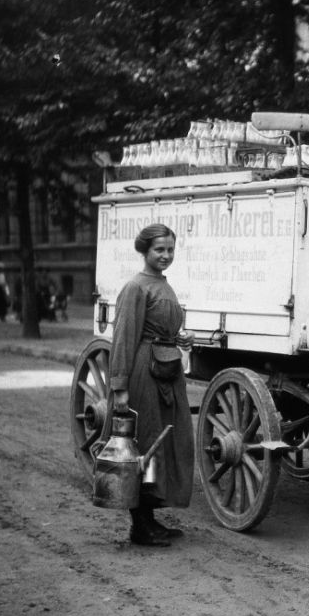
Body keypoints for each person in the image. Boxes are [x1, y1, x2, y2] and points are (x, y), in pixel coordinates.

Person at [109, 224, 194, 547]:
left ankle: (150, 518)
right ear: (144, 250)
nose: (166, 256)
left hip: (168, 372)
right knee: (145, 446)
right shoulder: (135, 287)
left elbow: (165, 328)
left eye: (170, 250)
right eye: (159, 249)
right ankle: (140, 525)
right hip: (144, 375)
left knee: (166, 444)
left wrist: (183, 337)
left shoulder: (163, 285)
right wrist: (120, 389)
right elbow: (123, 339)